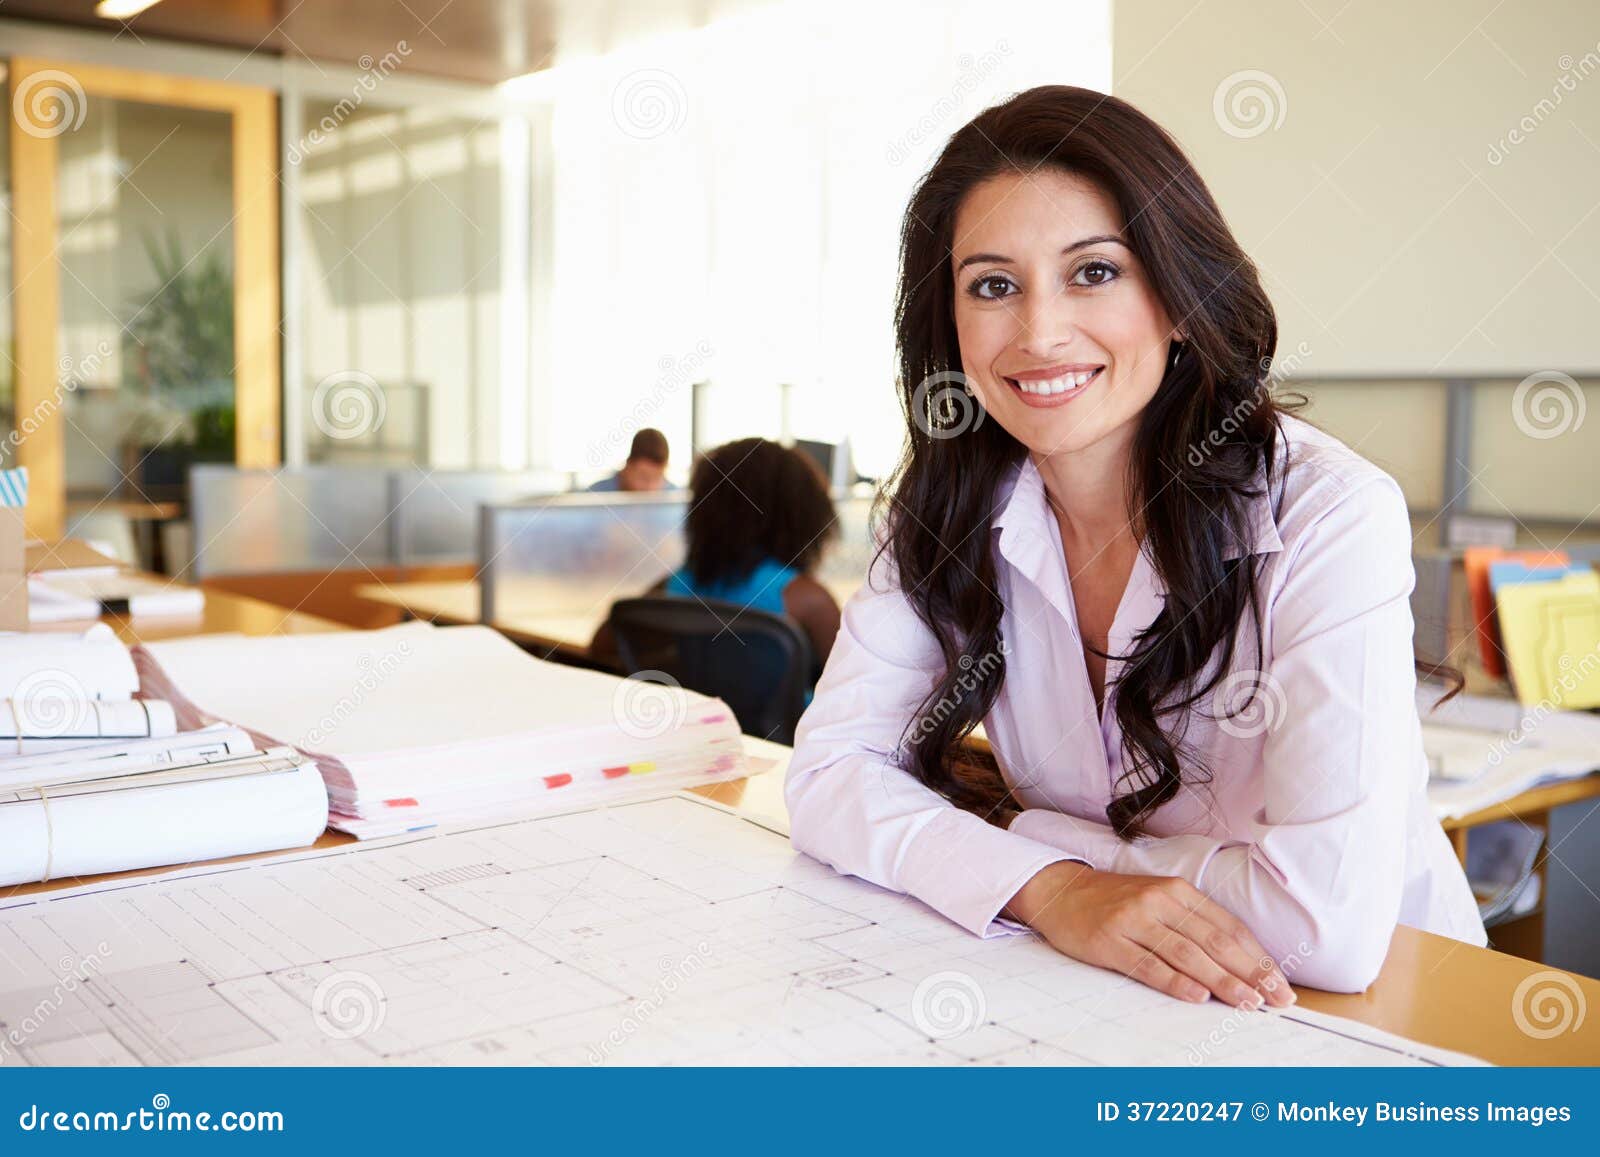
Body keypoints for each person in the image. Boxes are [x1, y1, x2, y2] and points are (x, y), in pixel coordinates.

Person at [784, 85, 1486, 1007]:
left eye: (1095, 272)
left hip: (1377, 1014)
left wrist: (1036, 838)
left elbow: (1325, 928)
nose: (1039, 331)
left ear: (1181, 297)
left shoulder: (1329, 513)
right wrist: (1057, 890)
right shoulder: (944, 509)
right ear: (949, 326)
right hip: (1111, 997)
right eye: (993, 285)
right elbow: (829, 776)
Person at [590, 437, 842, 679]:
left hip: (695, 722)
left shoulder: (674, 585)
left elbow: (602, 644)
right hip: (785, 725)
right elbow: (853, 693)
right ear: (801, 514)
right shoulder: (809, 601)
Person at [588, 428, 678, 492]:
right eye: (643, 477)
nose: (650, 488)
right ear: (628, 466)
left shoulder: (678, 500)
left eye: (657, 477)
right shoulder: (594, 498)